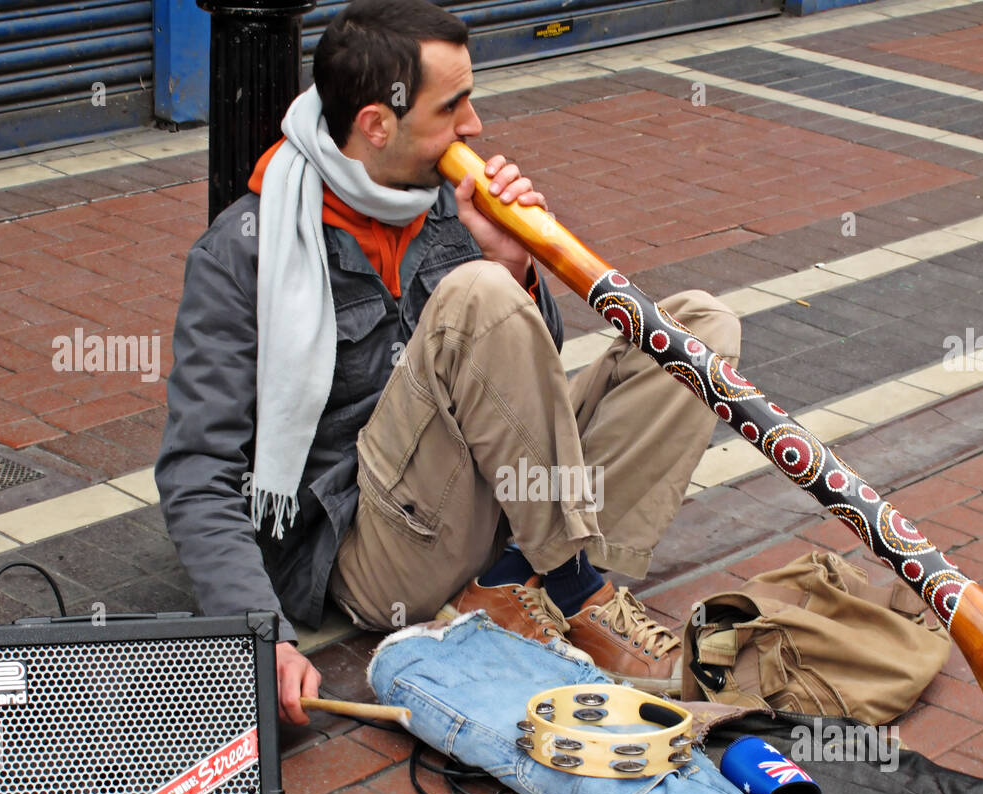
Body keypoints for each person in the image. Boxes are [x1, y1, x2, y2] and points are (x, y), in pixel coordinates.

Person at [156, 0, 740, 726]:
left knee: (694, 330)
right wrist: (258, 632)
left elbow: (525, 380)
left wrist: (517, 267)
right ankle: (573, 588)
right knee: (476, 293)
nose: (474, 125)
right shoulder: (244, 251)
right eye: (453, 105)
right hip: (377, 546)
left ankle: (514, 585)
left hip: (494, 494)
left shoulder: (442, 201)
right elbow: (195, 472)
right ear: (377, 123)